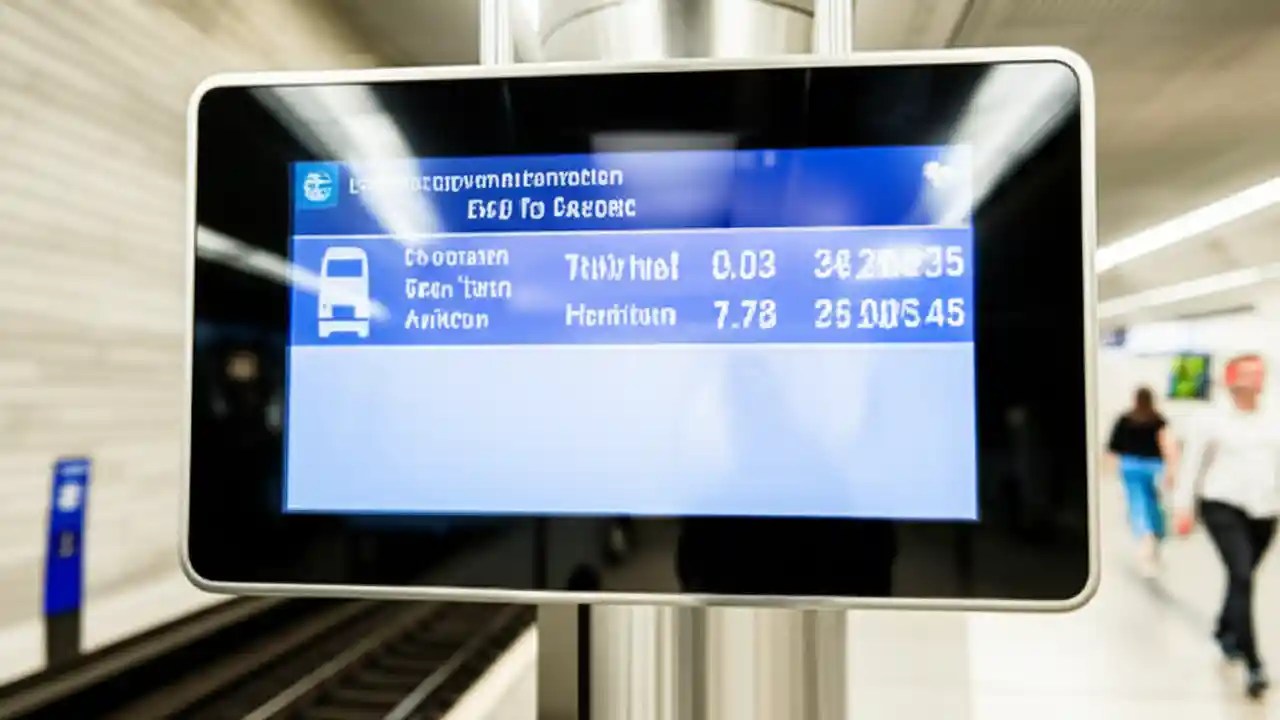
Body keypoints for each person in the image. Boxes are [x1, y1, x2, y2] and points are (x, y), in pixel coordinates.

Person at [1173, 354, 1280, 699]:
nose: (1256, 380)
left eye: (1260, 373)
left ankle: (1224, 630)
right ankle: (1254, 663)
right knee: (1243, 576)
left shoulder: (1272, 417)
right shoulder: (1211, 419)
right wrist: (1182, 507)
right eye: (1248, 374)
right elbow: (1191, 463)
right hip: (1222, 505)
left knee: (1241, 577)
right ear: (1231, 379)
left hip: (1265, 509)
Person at [1107, 386, 1178, 576]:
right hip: (1154, 467)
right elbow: (1168, 445)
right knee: (1154, 503)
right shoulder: (1158, 420)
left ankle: (1146, 538)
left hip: (1131, 466)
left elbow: (1114, 447)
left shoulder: (1125, 420)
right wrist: (1172, 469)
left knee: (1138, 502)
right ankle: (1153, 535)